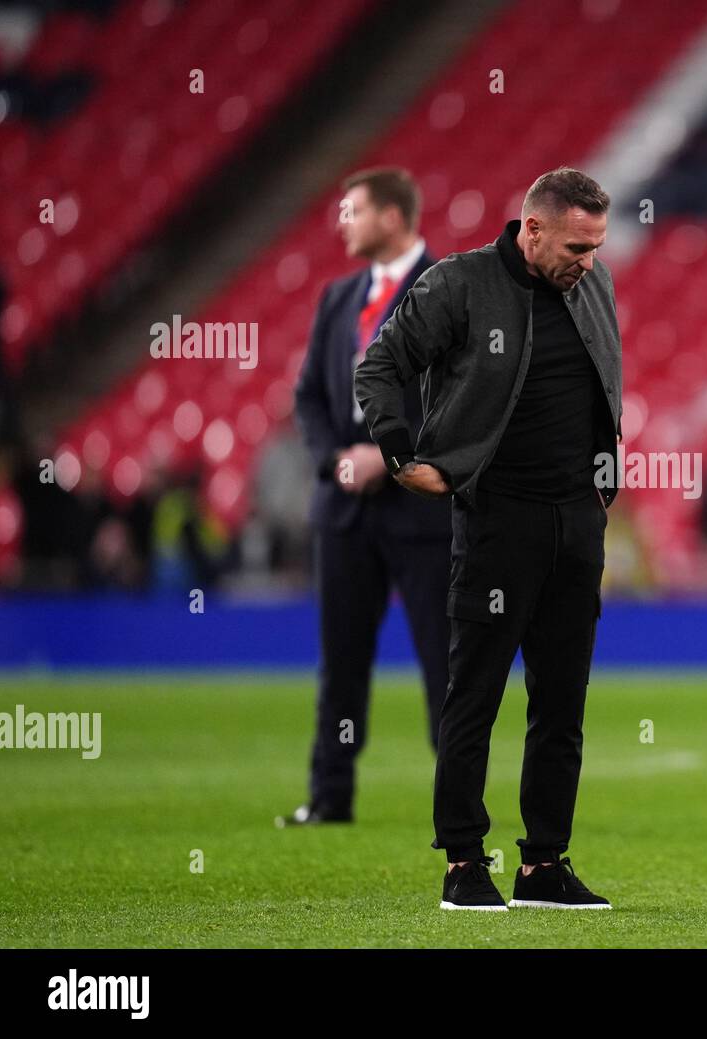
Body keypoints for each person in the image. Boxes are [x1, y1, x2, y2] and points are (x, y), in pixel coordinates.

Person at [355, 167, 623, 910]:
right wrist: (402, 453)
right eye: (576, 245)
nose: (588, 262)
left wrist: (603, 486)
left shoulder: (592, 285)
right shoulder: (459, 284)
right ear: (530, 229)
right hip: (498, 517)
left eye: (597, 246)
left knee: (562, 702)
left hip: (577, 521)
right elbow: (380, 365)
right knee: (473, 696)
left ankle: (544, 864)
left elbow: (604, 391)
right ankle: (464, 863)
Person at [280, 167, 452, 827]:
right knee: (341, 661)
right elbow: (308, 397)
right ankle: (330, 797)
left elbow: (461, 396)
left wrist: (390, 455)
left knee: (444, 660)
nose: (342, 222)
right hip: (345, 508)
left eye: (352, 210)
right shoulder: (337, 298)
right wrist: (334, 460)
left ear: (390, 216)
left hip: (421, 507)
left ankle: (456, 806)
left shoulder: (447, 289)